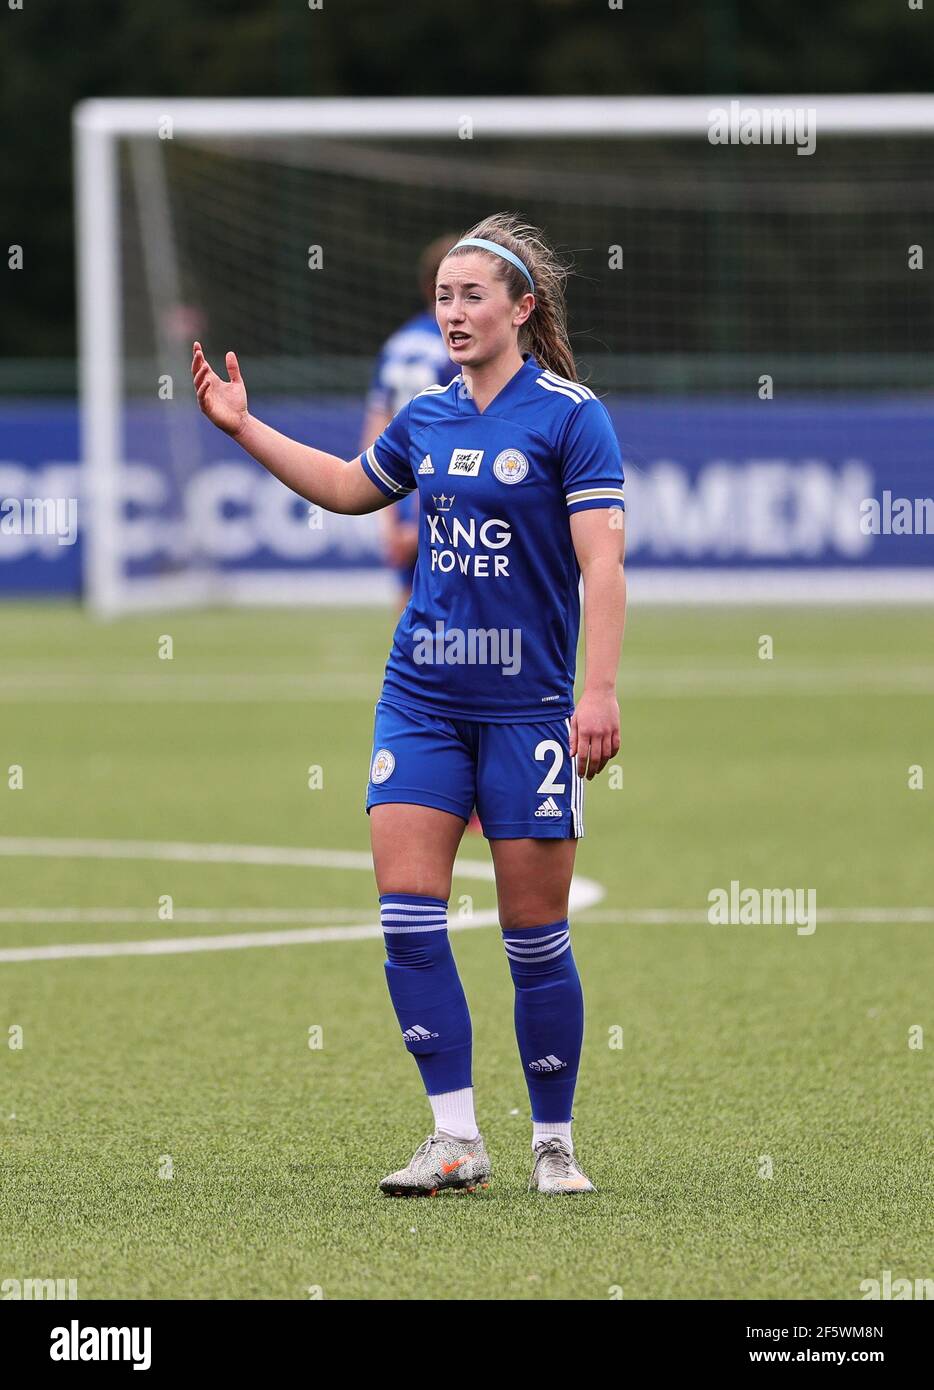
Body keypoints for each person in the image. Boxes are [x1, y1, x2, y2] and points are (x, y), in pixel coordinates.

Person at [191, 212, 626, 1198]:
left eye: (476, 296)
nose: (456, 312)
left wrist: (596, 690)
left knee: (533, 936)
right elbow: (351, 487)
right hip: (420, 699)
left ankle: (552, 1139)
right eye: (445, 297)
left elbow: (604, 562)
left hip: (530, 712)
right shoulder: (426, 415)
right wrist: (244, 426)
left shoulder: (570, 415)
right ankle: (454, 1136)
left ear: (522, 307)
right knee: (405, 920)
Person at [359, 235, 460, 613]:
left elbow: (375, 428)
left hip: (399, 484)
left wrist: (388, 521)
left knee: (411, 612)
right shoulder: (462, 344)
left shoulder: (396, 344)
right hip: (447, 488)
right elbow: (455, 432)